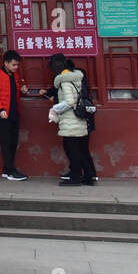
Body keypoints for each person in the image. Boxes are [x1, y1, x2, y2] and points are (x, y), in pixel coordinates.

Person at [48, 56, 95, 186]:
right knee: (79, 149)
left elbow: (69, 101)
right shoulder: (76, 78)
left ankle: (75, 177)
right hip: (79, 119)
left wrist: (55, 108)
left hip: (70, 120)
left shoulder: (64, 81)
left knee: (72, 149)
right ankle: (88, 176)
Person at [0, 50, 29, 180]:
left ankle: (7, 169)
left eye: (17, 65)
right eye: (13, 65)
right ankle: (11, 171)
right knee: (6, 141)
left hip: (14, 112)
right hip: (1, 113)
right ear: (5, 63)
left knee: (13, 141)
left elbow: (14, 94)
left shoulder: (15, 76)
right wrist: (0, 109)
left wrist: (23, 92)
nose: (16, 67)